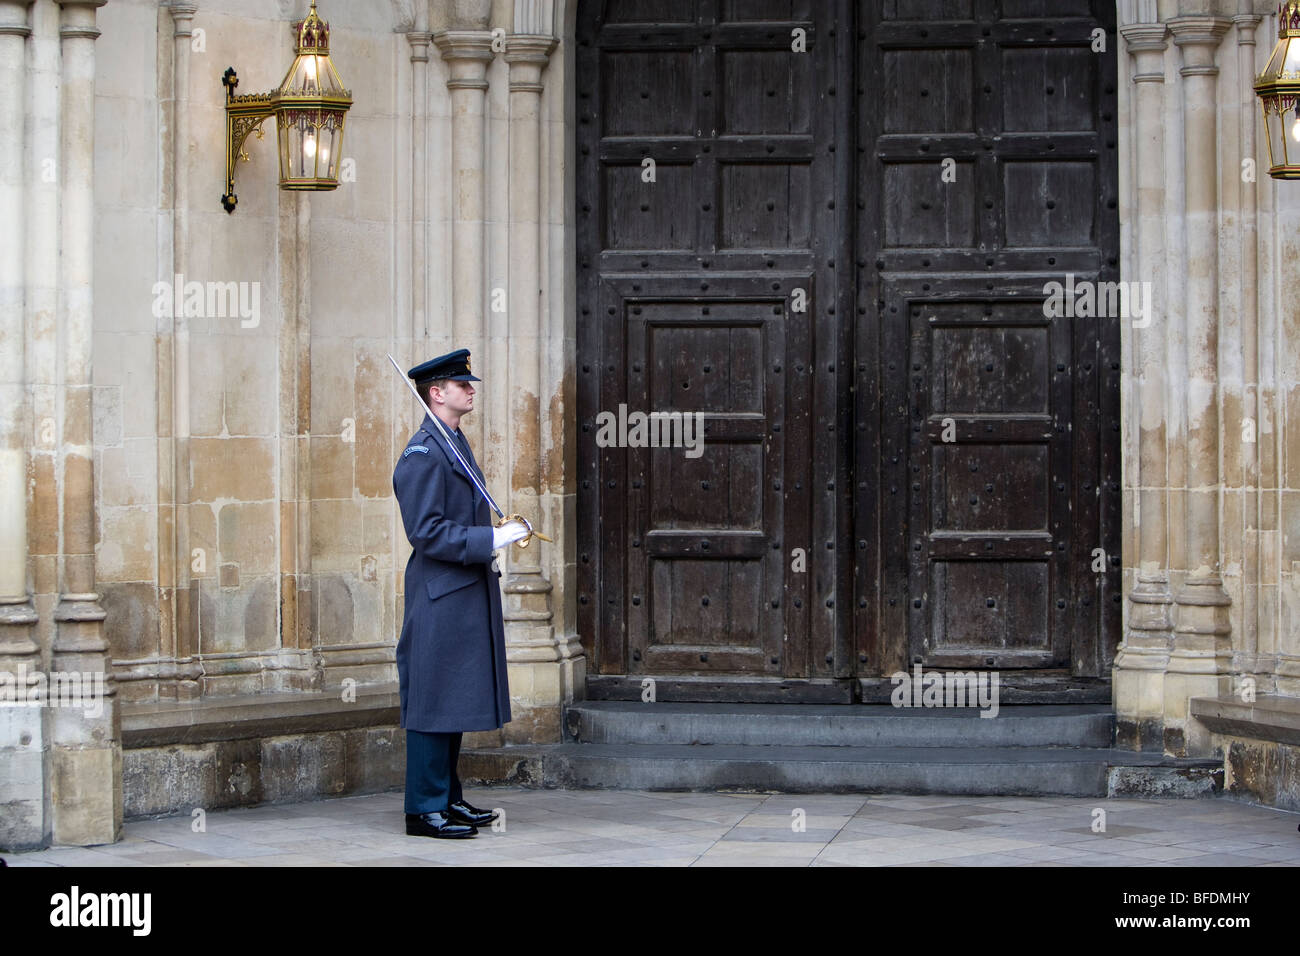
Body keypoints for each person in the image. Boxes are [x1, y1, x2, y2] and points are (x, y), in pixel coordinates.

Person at [392, 348, 530, 839]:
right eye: (461, 383)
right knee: (432, 701)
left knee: (450, 698)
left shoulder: (453, 441)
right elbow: (426, 532)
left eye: (468, 382)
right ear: (436, 392)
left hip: (462, 588)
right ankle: (423, 809)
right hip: (440, 592)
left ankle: (447, 799)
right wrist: (490, 539)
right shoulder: (423, 453)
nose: (471, 389)